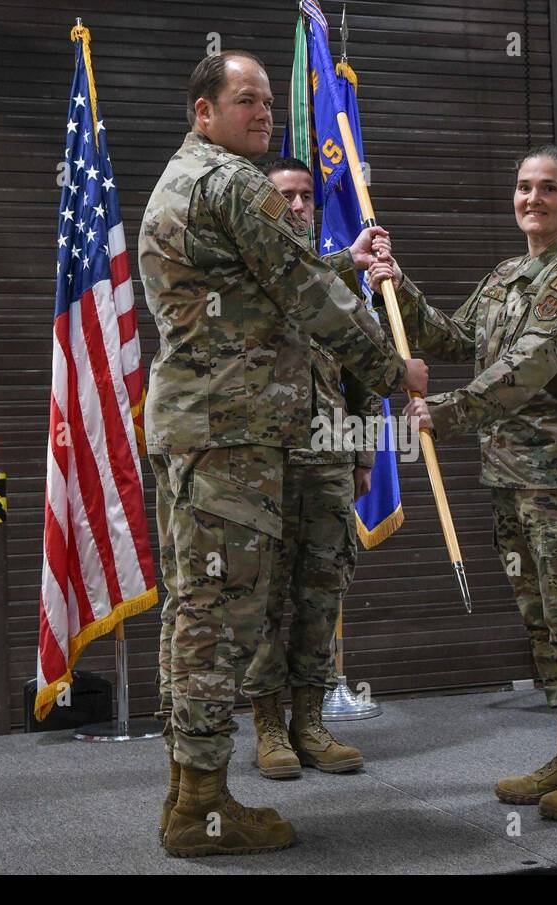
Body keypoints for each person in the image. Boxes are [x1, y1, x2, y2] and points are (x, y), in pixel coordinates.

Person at [138, 50, 428, 858]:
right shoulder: (232, 183)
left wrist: (342, 263)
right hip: (230, 434)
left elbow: (274, 278)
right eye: (245, 101)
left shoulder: (183, 180)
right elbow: (306, 292)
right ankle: (201, 809)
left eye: (267, 101)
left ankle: (187, 793)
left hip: (200, 426)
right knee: (216, 623)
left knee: (194, 614)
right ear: (204, 110)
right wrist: (390, 370)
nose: (263, 113)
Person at [368, 143, 557, 822]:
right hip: (513, 477)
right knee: (543, 623)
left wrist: (449, 412)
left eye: (548, 188)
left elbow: (530, 363)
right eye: (523, 187)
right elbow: (457, 338)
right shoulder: (507, 275)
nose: (532, 199)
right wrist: (396, 286)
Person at [241, 156, 378, 780]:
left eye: (305, 198)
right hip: (262, 466)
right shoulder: (248, 270)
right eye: (285, 198)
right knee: (265, 596)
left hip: (326, 460)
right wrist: (347, 258)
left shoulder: (340, 286)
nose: (297, 208)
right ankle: (268, 726)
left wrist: (364, 454)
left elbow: (365, 370)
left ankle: (311, 720)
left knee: (322, 592)